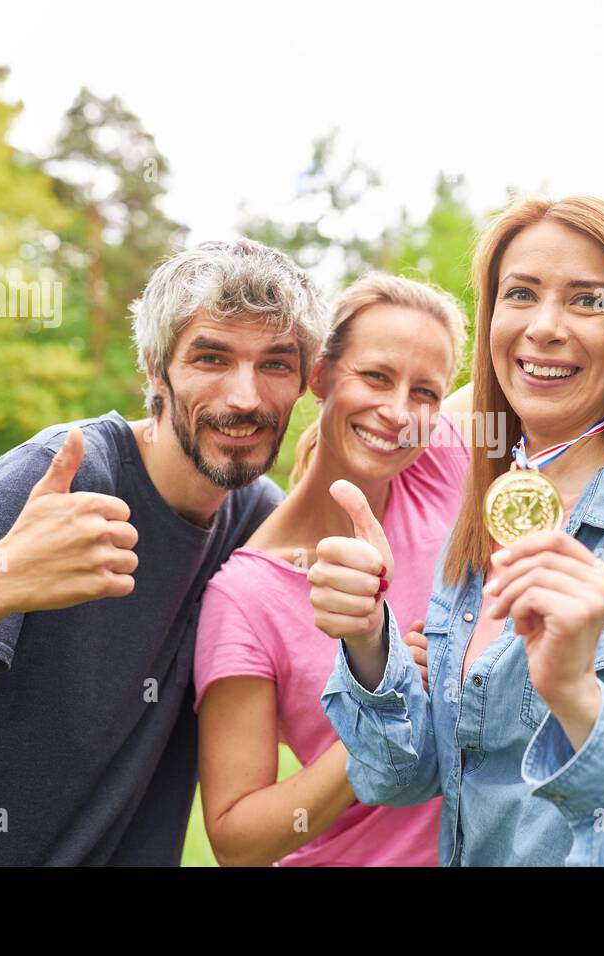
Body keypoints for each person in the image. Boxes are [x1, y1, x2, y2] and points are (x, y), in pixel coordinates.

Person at [0, 239, 325, 865]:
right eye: (210, 357)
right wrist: (2, 578)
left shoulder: (256, 524)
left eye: (275, 364)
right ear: (156, 369)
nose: (244, 397)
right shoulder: (68, 475)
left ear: (303, 383)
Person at [309, 195, 604, 866]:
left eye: (588, 301)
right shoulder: (485, 518)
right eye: (520, 294)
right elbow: (404, 778)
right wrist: (367, 640)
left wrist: (580, 701)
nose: (545, 328)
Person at [193, 274, 468, 866]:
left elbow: (564, 331)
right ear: (319, 374)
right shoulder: (245, 595)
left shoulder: (439, 465)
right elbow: (236, 839)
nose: (398, 411)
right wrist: (384, 698)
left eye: (426, 391)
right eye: (375, 376)